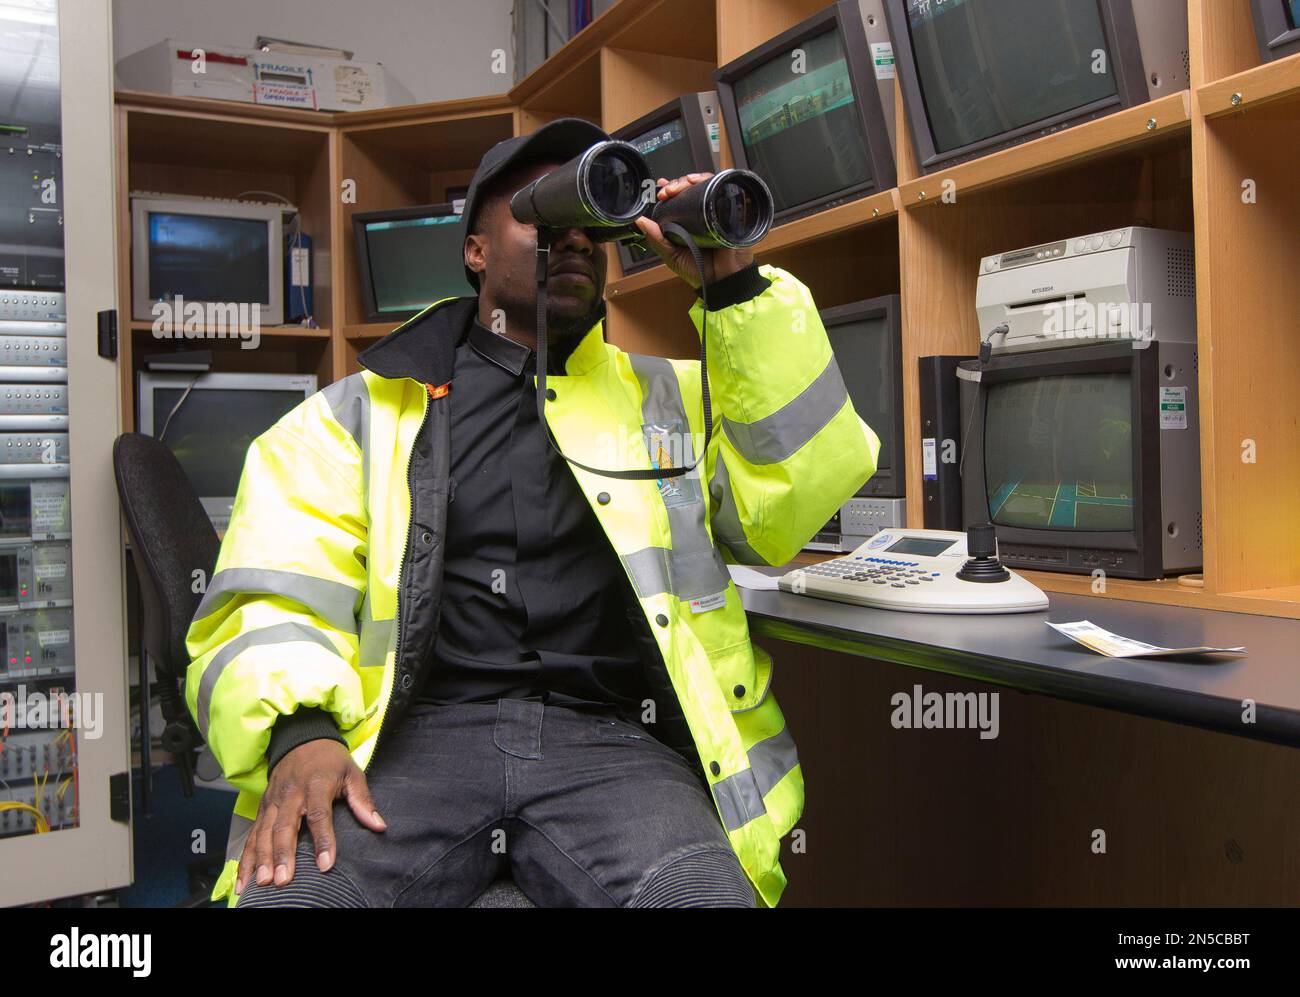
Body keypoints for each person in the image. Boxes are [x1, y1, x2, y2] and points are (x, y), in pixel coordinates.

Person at [185, 118, 880, 907]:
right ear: (475, 250)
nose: (574, 238)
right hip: (415, 745)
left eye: (592, 220)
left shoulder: (675, 401)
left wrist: (734, 291)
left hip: (617, 745)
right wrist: (302, 734)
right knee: (291, 900)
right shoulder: (357, 415)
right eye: (540, 211)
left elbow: (791, 506)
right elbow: (270, 595)